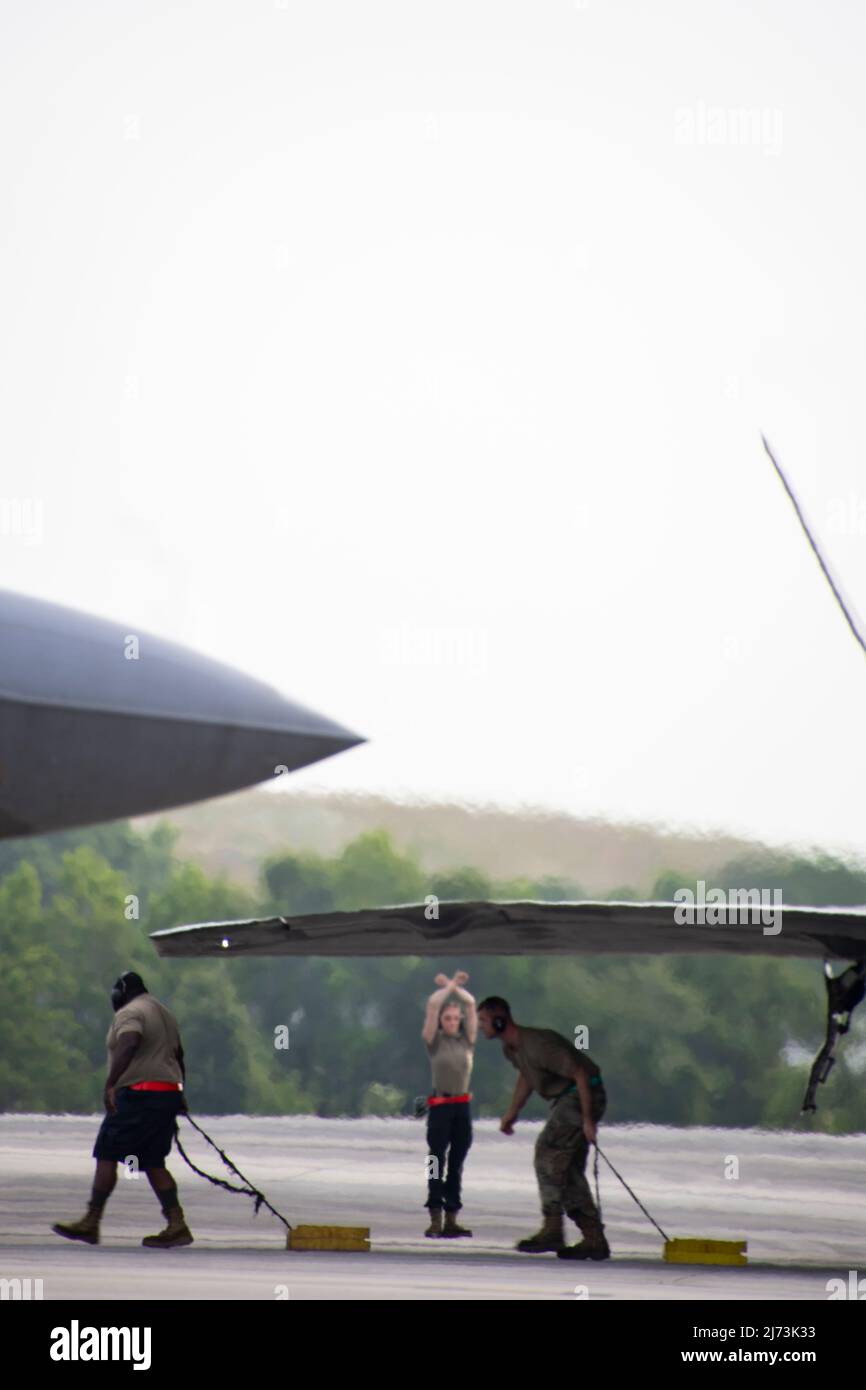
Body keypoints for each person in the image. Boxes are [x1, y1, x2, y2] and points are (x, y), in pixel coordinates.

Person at [52, 971, 193, 1249]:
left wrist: (111, 1083)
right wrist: (179, 1093)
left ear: (121, 993)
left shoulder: (130, 1012)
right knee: (153, 1161)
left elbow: (129, 1043)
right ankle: (177, 1224)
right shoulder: (164, 1012)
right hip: (166, 1094)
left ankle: (91, 1222)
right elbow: (178, 1056)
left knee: (106, 1152)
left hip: (139, 1095)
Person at [477, 995, 609, 1260]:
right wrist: (512, 1113)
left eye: (484, 1020)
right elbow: (527, 1076)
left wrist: (587, 1121)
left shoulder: (538, 1044)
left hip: (580, 1094)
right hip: (568, 1098)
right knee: (567, 1168)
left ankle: (552, 1228)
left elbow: (581, 1075)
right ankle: (593, 1238)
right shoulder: (512, 1049)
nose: (480, 1026)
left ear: (500, 1020)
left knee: (547, 1153)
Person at [421, 970, 477, 1238]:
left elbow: (471, 1004)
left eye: (455, 1019)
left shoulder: (467, 1041)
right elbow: (433, 1005)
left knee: (457, 1162)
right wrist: (450, 986)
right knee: (435, 1158)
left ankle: (452, 1216)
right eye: (448, 1018)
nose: (452, 1022)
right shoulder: (434, 1041)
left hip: (461, 1108)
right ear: (442, 1022)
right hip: (440, 1106)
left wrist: (452, 987)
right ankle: (434, 1215)